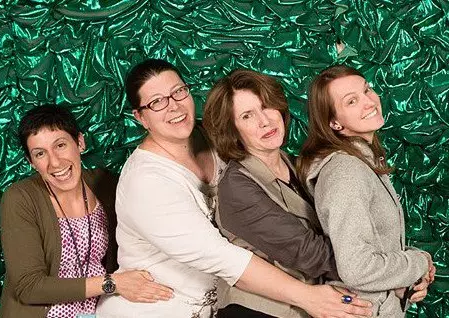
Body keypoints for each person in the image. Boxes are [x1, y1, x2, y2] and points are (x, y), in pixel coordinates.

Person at [96, 58, 373, 318]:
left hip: (230, 299)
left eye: (178, 92)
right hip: (159, 308)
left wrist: (381, 267)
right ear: (140, 117)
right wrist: (310, 296)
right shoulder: (146, 183)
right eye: (156, 102)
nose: (174, 106)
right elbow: (223, 257)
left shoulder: (214, 138)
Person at [0, 105, 173, 318]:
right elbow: (29, 287)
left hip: (102, 311)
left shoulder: (105, 184)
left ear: (79, 142)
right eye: (40, 154)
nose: (55, 162)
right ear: (31, 162)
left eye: (61, 145)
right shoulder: (20, 198)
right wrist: (112, 283)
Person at [296, 65, 436, 317]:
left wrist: (407, 281)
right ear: (334, 123)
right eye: (352, 101)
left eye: (366, 90)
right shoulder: (345, 171)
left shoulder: (363, 162)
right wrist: (419, 263)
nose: (369, 101)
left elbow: (374, 247)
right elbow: (357, 268)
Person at [202, 69, 340, 318]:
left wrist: (398, 264)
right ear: (232, 131)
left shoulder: (297, 166)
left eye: (266, 107)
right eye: (247, 116)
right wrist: (386, 274)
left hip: (313, 299)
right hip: (258, 310)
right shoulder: (237, 188)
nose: (264, 121)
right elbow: (309, 253)